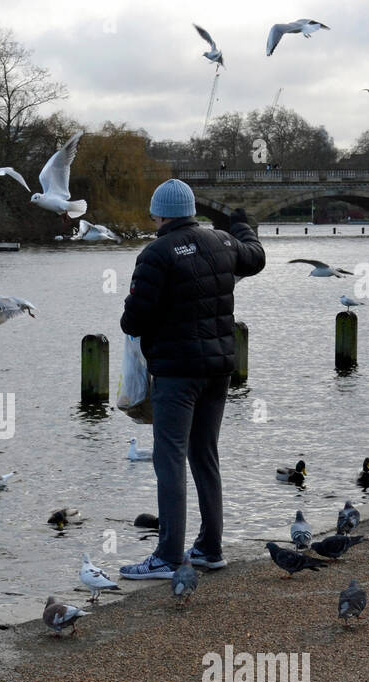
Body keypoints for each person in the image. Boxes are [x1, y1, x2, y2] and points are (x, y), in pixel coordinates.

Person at [118, 179, 265, 579]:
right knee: (205, 457)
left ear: (160, 214)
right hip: (218, 372)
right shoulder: (223, 243)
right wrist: (240, 225)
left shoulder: (156, 253)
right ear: (191, 211)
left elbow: (134, 319)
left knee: (170, 461)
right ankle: (211, 548)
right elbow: (256, 257)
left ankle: (167, 556)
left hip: (177, 375)